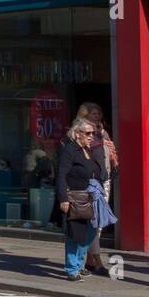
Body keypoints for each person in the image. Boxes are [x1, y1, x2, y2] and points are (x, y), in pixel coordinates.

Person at [51, 119, 105, 281]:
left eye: (93, 133)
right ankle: (72, 268)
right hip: (76, 198)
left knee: (89, 234)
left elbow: (98, 172)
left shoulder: (87, 150)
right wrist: (63, 199)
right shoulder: (70, 150)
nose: (91, 136)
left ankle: (79, 265)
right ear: (77, 133)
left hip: (91, 199)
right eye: (87, 133)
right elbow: (61, 175)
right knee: (75, 234)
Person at [74, 102, 118, 276]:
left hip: (104, 179)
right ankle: (93, 260)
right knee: (94, 222)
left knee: (98, 222)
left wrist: (112, 151)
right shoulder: (82, 133)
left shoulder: (102, 131)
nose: (97, 116)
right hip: (91, 182)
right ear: (84, 115)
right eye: (93, 114)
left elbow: (109, 153)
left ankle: (90, 259)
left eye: (98, 113)